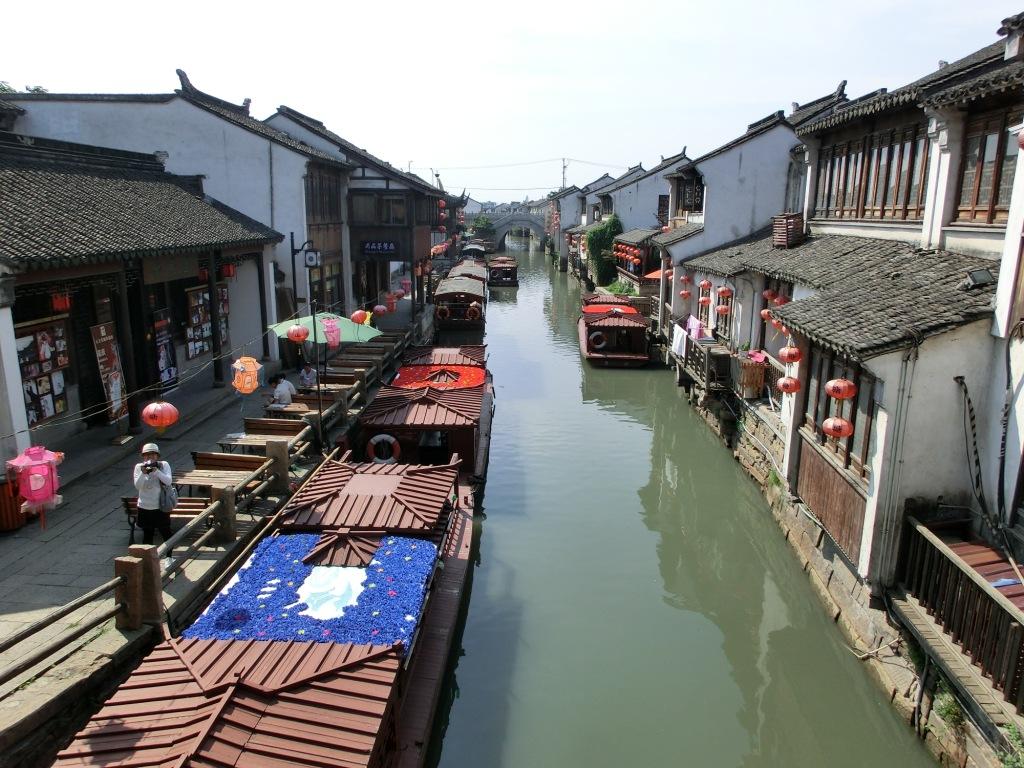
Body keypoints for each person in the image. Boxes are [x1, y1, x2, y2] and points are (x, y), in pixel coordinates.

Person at [133, 443, 173, 563]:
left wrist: (156, 472)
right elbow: (138, 486)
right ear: (143, 457)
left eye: (152, 455)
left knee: (165, 532)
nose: (149, 458)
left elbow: (168, 481)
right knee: (147, 533)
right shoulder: (138, 467)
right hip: (144, 506)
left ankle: (169, 557)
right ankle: (147, 559)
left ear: (157, 456)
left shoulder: (163, 465)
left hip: (160, 506)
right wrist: (143, 473)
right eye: (146, 455)